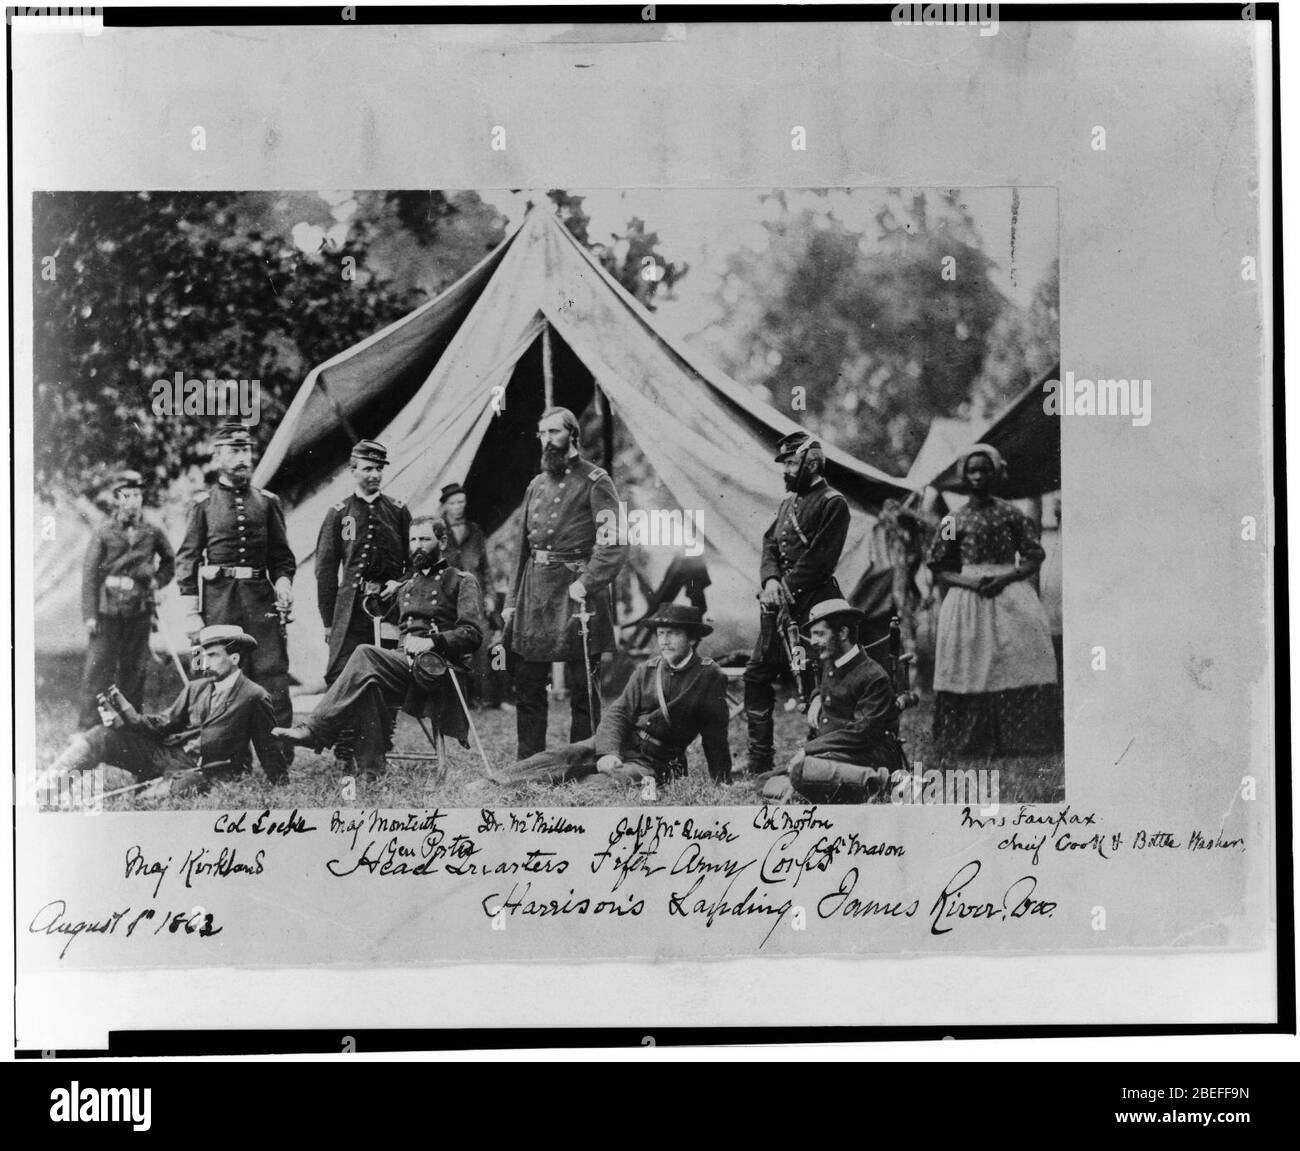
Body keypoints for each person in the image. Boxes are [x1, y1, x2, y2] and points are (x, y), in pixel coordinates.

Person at [275, 516, 485, 783]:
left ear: (442, 542)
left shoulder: (461, 581)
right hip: (406, 668)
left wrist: (432, 641)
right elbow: (379, 613)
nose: (417, 546)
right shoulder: (407, 587)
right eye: (412, 540)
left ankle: (314, 730)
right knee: (367, 683)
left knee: (364, 653)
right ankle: (370, 772)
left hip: (438, 671)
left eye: (424, 539)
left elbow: (473, 634)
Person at [492, 604, 731, 791]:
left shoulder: (708, 676)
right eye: (661, 634)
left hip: (655, 761)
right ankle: (494, 783)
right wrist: (609, 752)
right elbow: (619, 713)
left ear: (691, 639)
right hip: (623, 742)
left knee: (602, 783)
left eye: (673, 634)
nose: (664, 641)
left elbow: (715, 734)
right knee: (563, 755)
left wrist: (721, 781)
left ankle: (548, 789)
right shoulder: (647, 670)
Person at [502, 406, 628, 759]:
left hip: (577, 594)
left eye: (554, 433)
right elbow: (521, 551)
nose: (547, 441)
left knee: (582, 687)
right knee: (528, 682)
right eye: (542, 434)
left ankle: (582, 758)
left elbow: (614, 541)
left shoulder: (596, 480)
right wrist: (512, 600)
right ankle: (529, 760)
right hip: (535, 593)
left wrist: (587, 582)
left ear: (573, 435)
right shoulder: (536, 485)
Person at [40, 625, 287, 799]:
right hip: (168, 756)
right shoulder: (196, 688)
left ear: (234, 658)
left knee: (146, 800)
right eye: (205, 655)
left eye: (213, 655)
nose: (207, 661)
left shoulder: (254, 695)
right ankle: (45, 791)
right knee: (98, 737)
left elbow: (268, 745)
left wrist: (279, 782)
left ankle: (156, 788)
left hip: (209, 772)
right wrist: (124, 718)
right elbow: (162, 724)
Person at [925, 443, 1059, 758]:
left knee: (1019, 658)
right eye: (972, 470)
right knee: (969, 662)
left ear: (996, 473)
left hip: (1008, 596)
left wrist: (1006, 578)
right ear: (963, 476)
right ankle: (969, 740)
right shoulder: (952, 521)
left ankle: (1021, 738)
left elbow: (1033, 556)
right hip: (967, 598)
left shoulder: (1011, 514)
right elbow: (939, 565)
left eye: (984, 470)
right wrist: (969, 581)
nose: (978, 476)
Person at [176, 421, 297, 735]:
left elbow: (282, 557)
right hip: (220, 604)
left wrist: (283, 583)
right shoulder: (203, 505)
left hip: (261, 603)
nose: (243, 457)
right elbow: (187, 560)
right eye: (235, 450)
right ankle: (228, 757)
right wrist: (191, 612)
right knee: (219, 675)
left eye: (246, 450)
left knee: (273, 674)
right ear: (218, 456)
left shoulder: (268, 503)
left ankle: (279, 755)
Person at [743, 430, 850, 775]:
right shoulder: (787, 504)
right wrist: (771, 580)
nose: (786, 471)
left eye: (791, 463)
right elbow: (770, 543)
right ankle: (759, 762)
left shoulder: (834, 503)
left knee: (820, 681)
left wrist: (785, 586)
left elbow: (821, 559)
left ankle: (818, 756)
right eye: (785, 464)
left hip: (816, 605)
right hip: (779, 606)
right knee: (757, 674)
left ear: (812, 462)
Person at [315, 439, 410, 768]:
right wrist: (330, 621)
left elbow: (415, 560)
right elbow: (326, 571)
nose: (374, 475)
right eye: (367, 468)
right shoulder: (339, 513)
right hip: (351, 610)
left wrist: (400, 583)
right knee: (343, 674)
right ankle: (347, 752)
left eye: (379, 468)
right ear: (352, 471)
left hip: (389, 608)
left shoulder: (397, 510)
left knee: (383, 676)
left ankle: (379, 746)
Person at [758, 598, 904, 804]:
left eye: (820, 634)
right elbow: (831, 685)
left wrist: (809, 749)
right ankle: (812, 781)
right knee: (764, 780)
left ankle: (877, 782)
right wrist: (816, 696)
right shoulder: (832, 662)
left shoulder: (874, 676)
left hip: (866, 753)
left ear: (843, 633)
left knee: (801, 770)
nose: (814, 641)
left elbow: (862, 732)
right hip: (836, 751)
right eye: (812, 635)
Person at [78, 469, 176, 728]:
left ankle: (130, 732)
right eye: (126, 495)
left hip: (139, 610)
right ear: (116, 499)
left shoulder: (152, 531)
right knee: (98, 669)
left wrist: (157, 581)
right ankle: (86, 729)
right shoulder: (104, 532)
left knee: (134, 672)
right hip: (107, 611)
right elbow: (89, 576)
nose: (132, 500)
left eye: (137, 495)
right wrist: (89, 615)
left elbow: (169, 561)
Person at [440, 481, 498, 705]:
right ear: (445, 506)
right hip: (448, 597)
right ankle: (457, 699)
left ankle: (483, 697)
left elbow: (485, 569)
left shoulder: (475, 531)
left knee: (480, 644)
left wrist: (490, 596)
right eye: (453, 503)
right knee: (452, 644)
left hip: (474, 596)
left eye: (461, 502)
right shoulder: (438, 531)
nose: (458, 507)